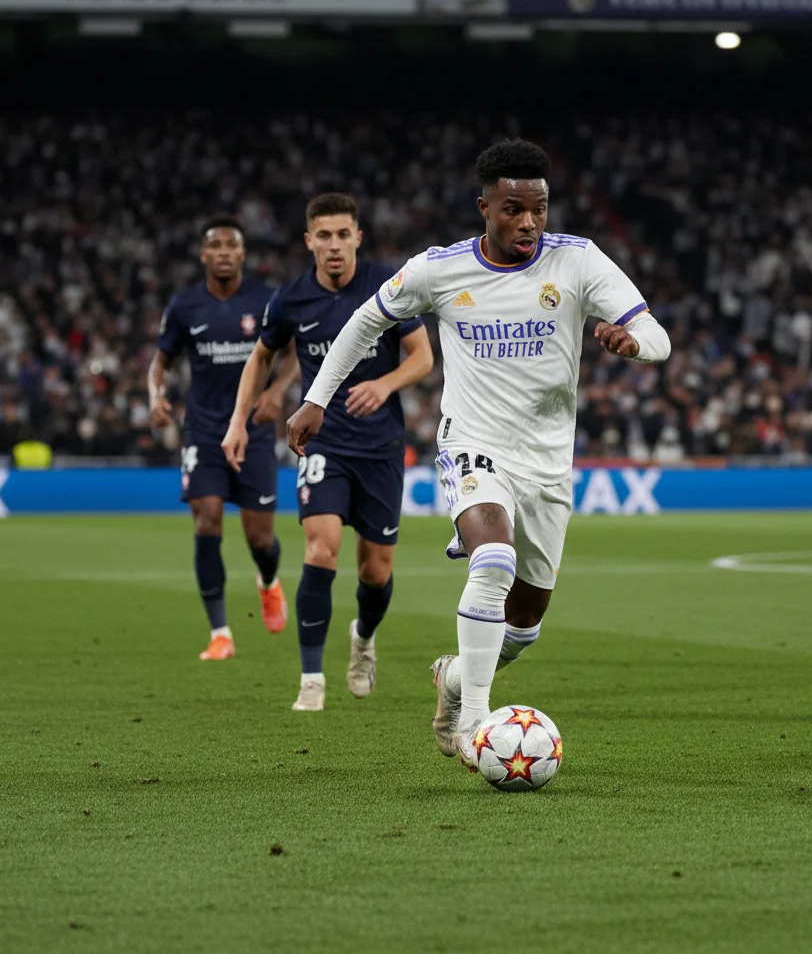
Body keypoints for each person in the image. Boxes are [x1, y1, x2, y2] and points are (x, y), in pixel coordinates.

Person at [284, 139, 671, 770]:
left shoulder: (579, 262)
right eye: (513, 209)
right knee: (491, 555)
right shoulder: (440, 269)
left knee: (523, 624)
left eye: (539, 209)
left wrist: (633, 344)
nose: (528, 223)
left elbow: (658, 334)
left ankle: (455, 679)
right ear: (484, 206)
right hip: (472, 444)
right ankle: (474, 724)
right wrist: (316, 399)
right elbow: (364, 322)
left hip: (546, 462)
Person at [222, 194, 434, 712]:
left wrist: (384, 386)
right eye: (324, 235)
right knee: (320, 550)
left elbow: (423, 358)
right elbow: (261, 358)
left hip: (381, 445)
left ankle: (363, 638)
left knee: (375, 572)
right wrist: (237, 420)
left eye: (344, 234)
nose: (334, 245)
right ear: (309, 241)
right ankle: (311, 678)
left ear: (358, 237)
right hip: (324, 442)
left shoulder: (388, 287)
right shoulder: (292, 298)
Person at [149, 215, 298, 661]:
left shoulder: (265, 300)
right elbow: (160, 363)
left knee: (259, 540)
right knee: (206, 520)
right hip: (204, 430)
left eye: (232, 245)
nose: (225, 253)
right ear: (204, 254)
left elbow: (293, 355)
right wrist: (156, 396)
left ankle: (268, 582)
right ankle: (220, 633)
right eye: (216, 245)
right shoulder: (184, 306)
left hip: (254, 430)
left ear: (243, 253)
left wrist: (276, 389)